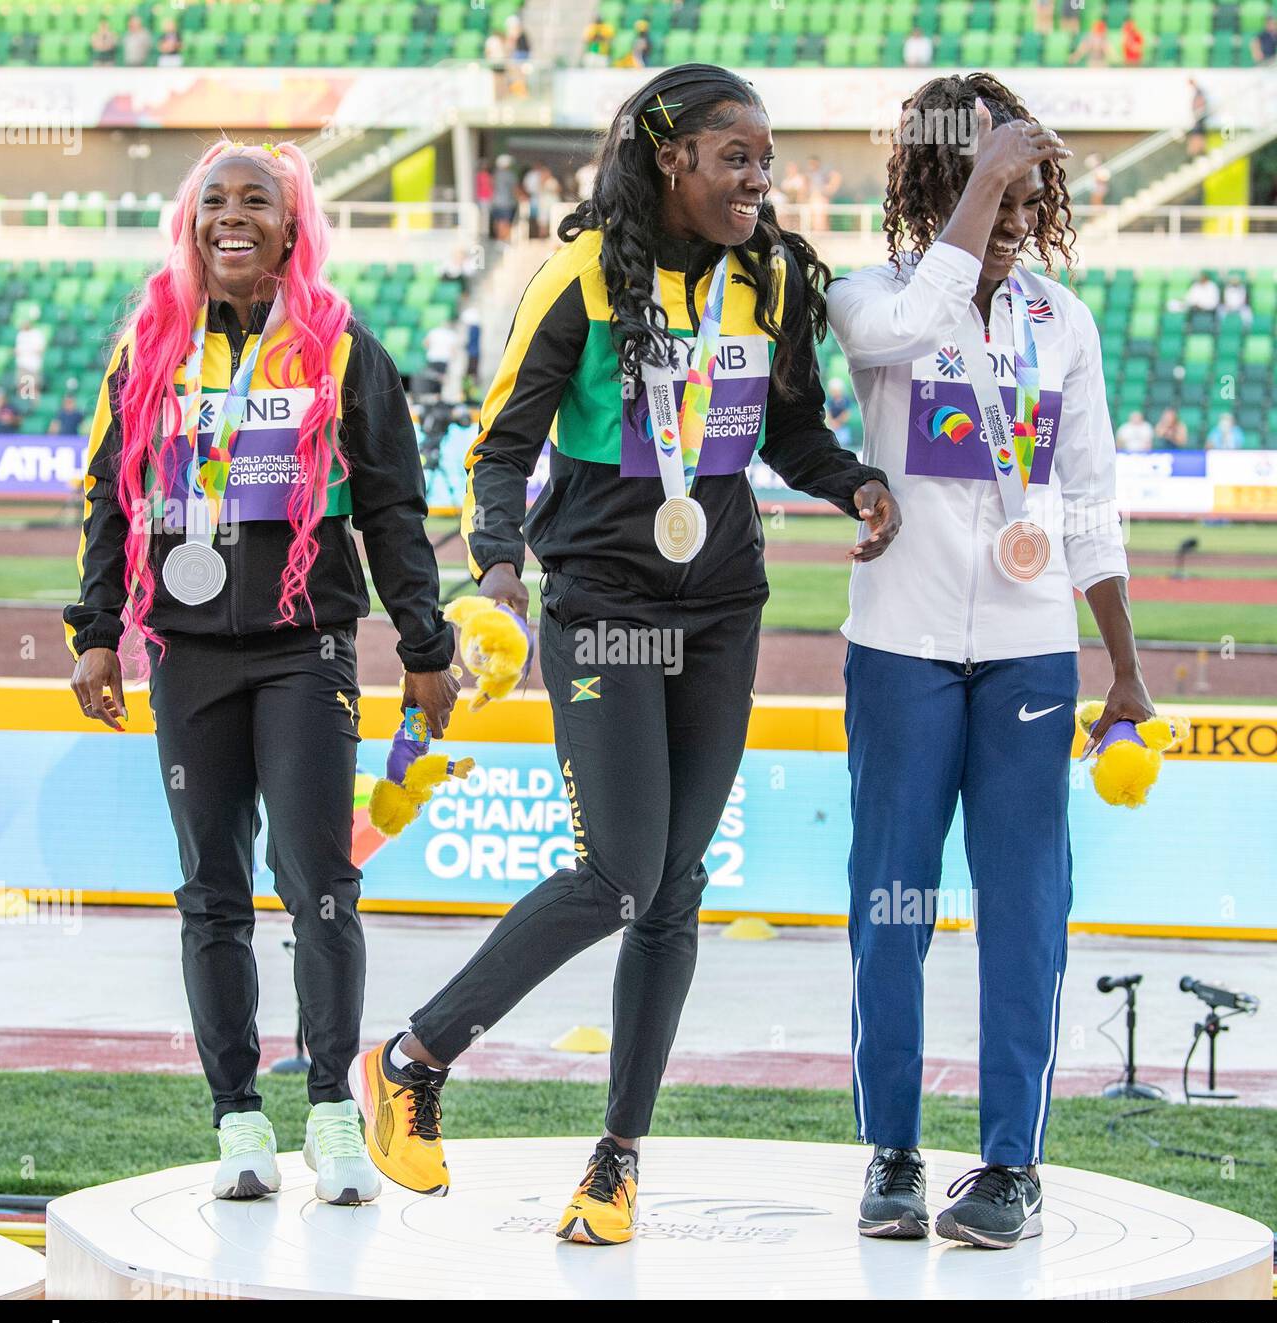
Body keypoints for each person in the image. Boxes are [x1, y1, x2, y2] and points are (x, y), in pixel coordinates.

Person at [349, 64, 899, 1247]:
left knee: (677, 888)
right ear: (670, 160)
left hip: (724, 604)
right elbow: (501, 443)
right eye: (735, 156)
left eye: (767, 158)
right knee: (623, 874)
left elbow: (792, 427)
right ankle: (409, 1056)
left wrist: (850, 478)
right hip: (602, 598)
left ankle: (616, 1162)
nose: (760, 178)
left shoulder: (775, 275)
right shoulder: (586, 272)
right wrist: (496, 558)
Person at [64, 139, 458, 1206]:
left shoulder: (340, 350)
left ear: (293, 229)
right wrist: (97, 631)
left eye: (257, 202)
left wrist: (424, 644)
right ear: (191, 225)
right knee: (211, 894)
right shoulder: (149, 350)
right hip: (185, 657)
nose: (231, 217)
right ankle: (237, 1116)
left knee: (321, 884)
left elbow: (392, 509)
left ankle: (331, 1106)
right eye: (213, 202)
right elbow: (110, 498)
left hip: (305, 648)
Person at [829, 74, 1151, 1250]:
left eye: (1026, 180)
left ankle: (1012, 1164)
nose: (1014, 199)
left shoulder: (1065, 322)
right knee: (893, 903)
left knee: (1025, 907)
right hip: (900, 650)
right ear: (932, 174)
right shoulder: (872, 294)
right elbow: (910, 333)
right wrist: (983, 181)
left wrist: (1122, 665)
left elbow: (1091, 503)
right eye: (984, 173)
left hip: (1028, 658)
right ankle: (895, 1153)